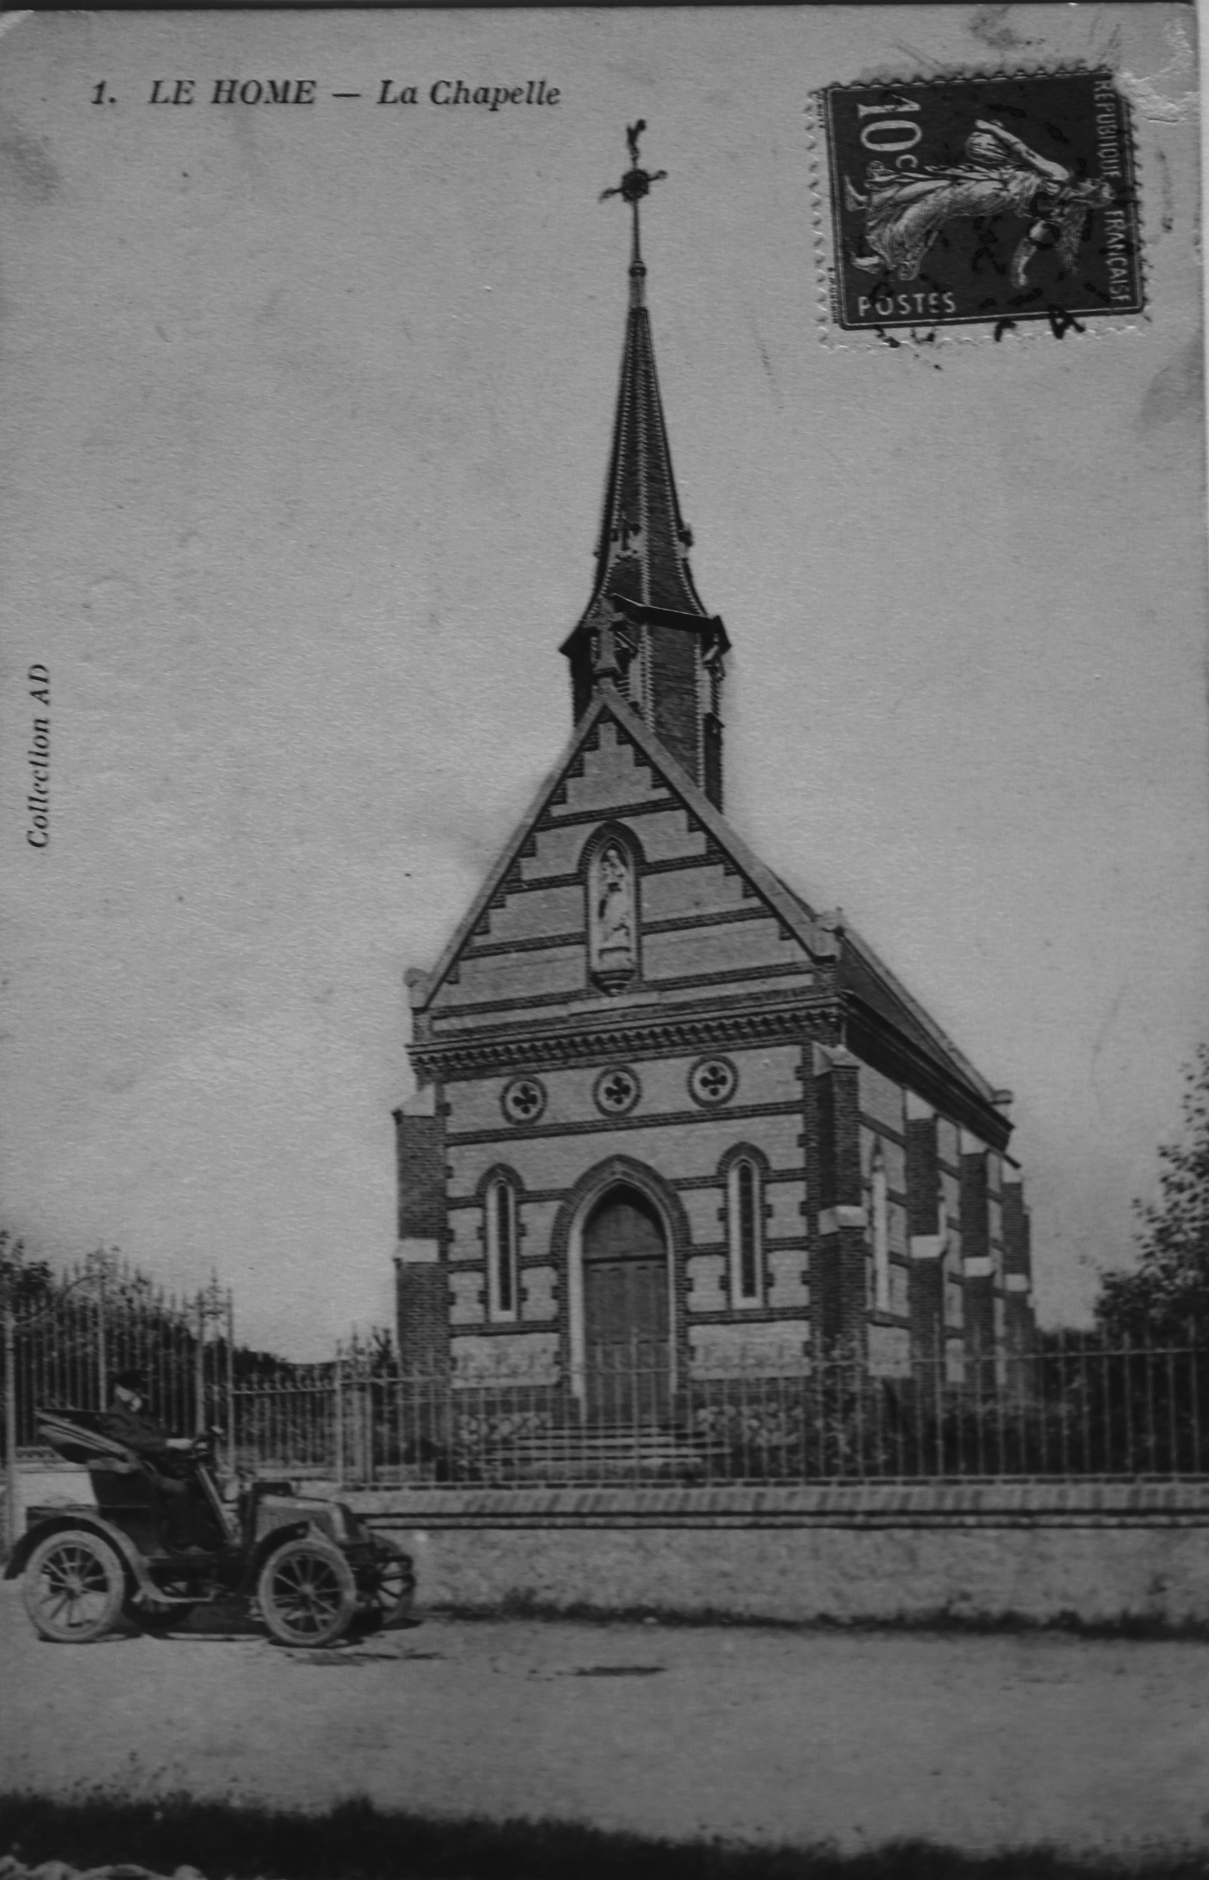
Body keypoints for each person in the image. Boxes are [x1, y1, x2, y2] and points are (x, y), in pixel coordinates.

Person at [99, 1370, 217, 1552]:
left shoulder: (141, 1415)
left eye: (138, 1390)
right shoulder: (113, 1417)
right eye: (131, 1389)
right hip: (137, 1473)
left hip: (155, 1468)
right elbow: (136, 1441)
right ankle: (183, 1543)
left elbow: (163, 1433)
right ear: (118, 1390)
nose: (136, 1394)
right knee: (180, 1489)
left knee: (199, 1484)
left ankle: (207, 1538)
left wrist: (190, 1443)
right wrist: (170, 1443)